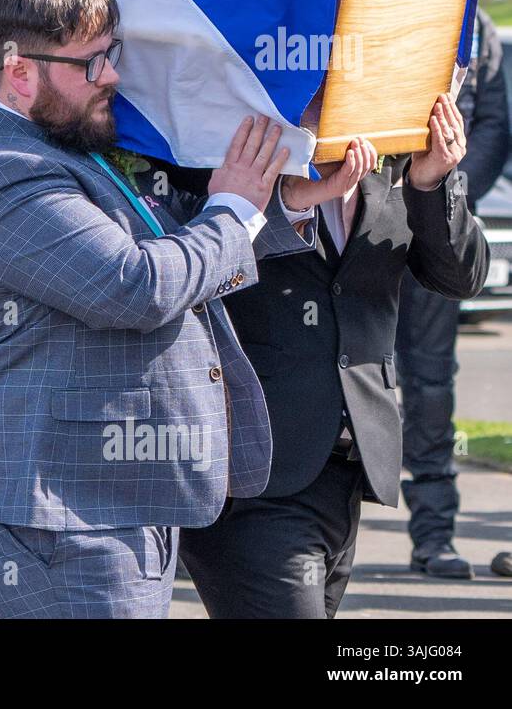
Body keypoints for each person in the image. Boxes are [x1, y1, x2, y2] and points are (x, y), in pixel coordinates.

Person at [0, 0, 341, 618]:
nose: (113, 77)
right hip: (63, 502)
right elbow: (135, 284)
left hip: (103, 491)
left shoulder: (66, 150)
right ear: (18, 72)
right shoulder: (7, 171)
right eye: (91, 62)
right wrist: (233, 210)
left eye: (111, 55)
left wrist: (277, 202)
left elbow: (166, 245)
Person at [179, 91, 490, 617]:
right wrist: (294, 201)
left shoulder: (394, 156)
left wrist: (431, 181)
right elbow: (186, 269)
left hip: (347, 465)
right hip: (252, 474)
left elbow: (459, 277)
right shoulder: (227, 148)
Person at [395, 7, 507, 579]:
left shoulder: (478, 31)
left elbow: (492, 125)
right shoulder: (370, 1)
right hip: (359, 220)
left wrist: (445, 190)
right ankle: (254, 534)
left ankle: (433, 535)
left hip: (441, 226)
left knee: (431, 383)